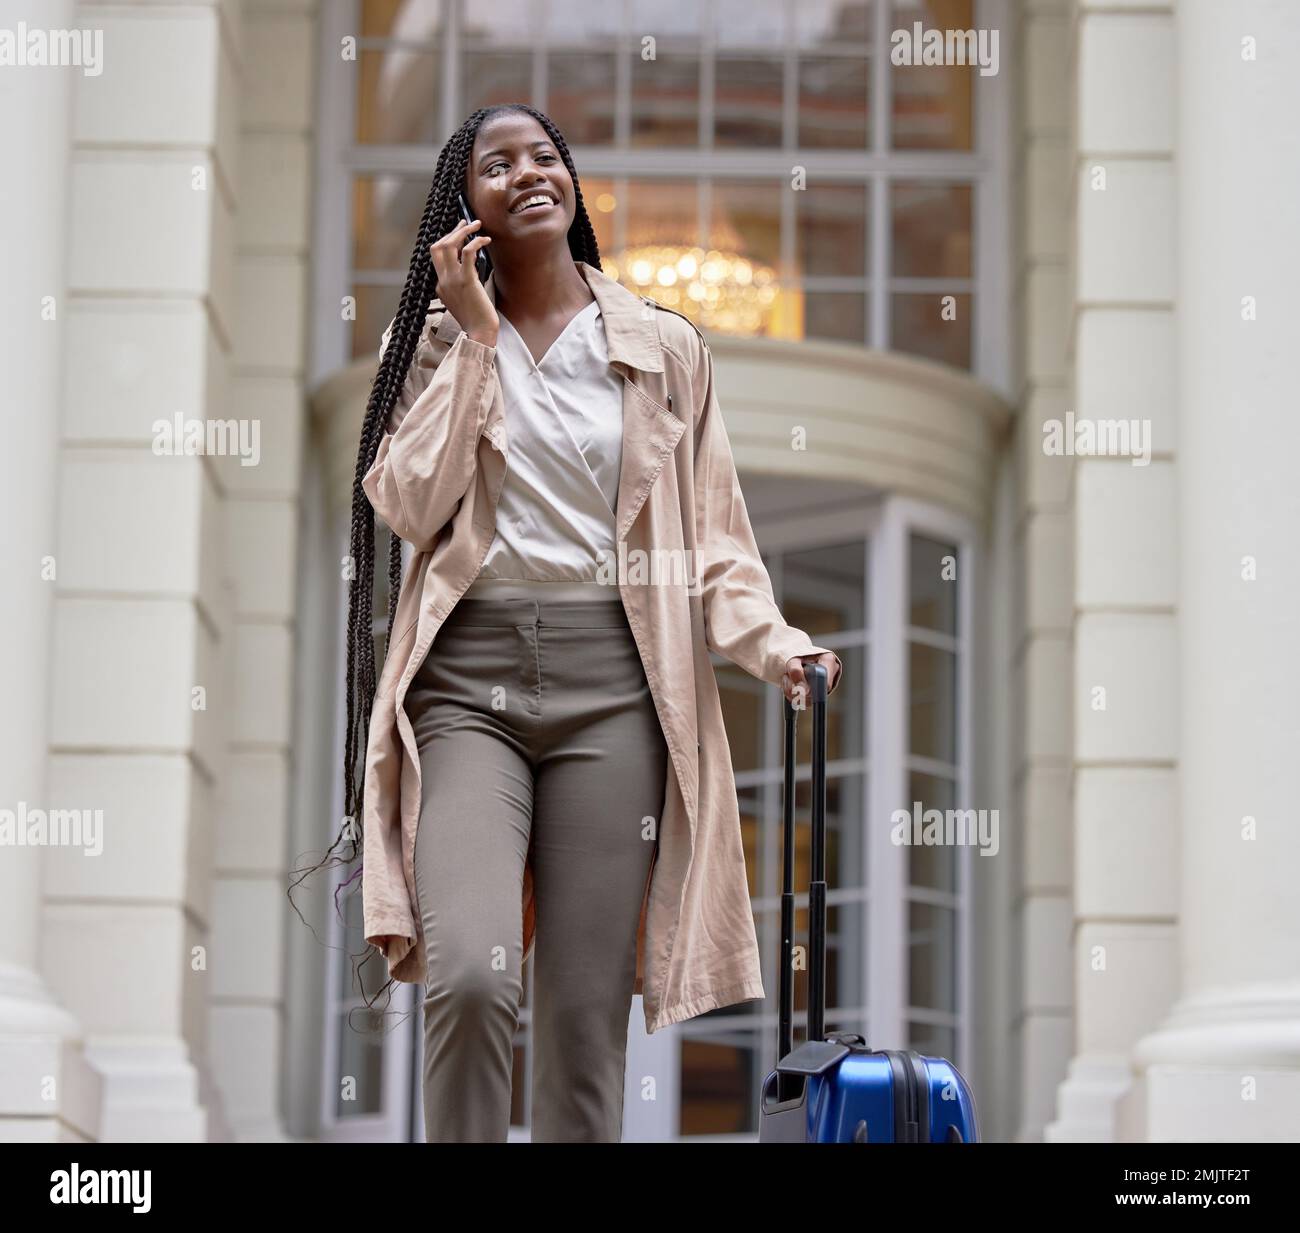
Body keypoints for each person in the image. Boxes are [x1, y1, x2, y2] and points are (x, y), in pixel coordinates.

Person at [343, 103, 841, 1142]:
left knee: (580, 1018)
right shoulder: (429, 342)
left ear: (570, 184)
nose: (527, 172)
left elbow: (714, 541)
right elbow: (406, 503)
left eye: (544, 156)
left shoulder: (663, 348)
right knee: (473, 979)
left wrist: (773, 644)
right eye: (495, 163)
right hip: (465, 690)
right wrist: (477, 342)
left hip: (616, 691)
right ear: (462, 206)